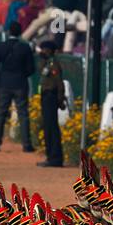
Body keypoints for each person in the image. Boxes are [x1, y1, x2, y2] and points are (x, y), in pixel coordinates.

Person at [0, 21, 36, 153]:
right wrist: (22, 74)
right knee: (23, 114)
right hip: (20, 83)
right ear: (20, 32)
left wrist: (0, 77)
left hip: (4, 84)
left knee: (1, 113)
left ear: (9, 32)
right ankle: (26, 145)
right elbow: (31, 69)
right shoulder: (25, 48)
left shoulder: (0, 47)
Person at [37, 38, 64, 167]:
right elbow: (40, 69)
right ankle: (50, 156)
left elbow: (59, 82)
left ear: (49, 51)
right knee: (47, 127)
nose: (42, 51)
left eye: (44, 49)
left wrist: (60, 99)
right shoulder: (47, 62)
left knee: (51, 127)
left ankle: (55, 157)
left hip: (51, 97)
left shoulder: (53, 64)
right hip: (45, 97)